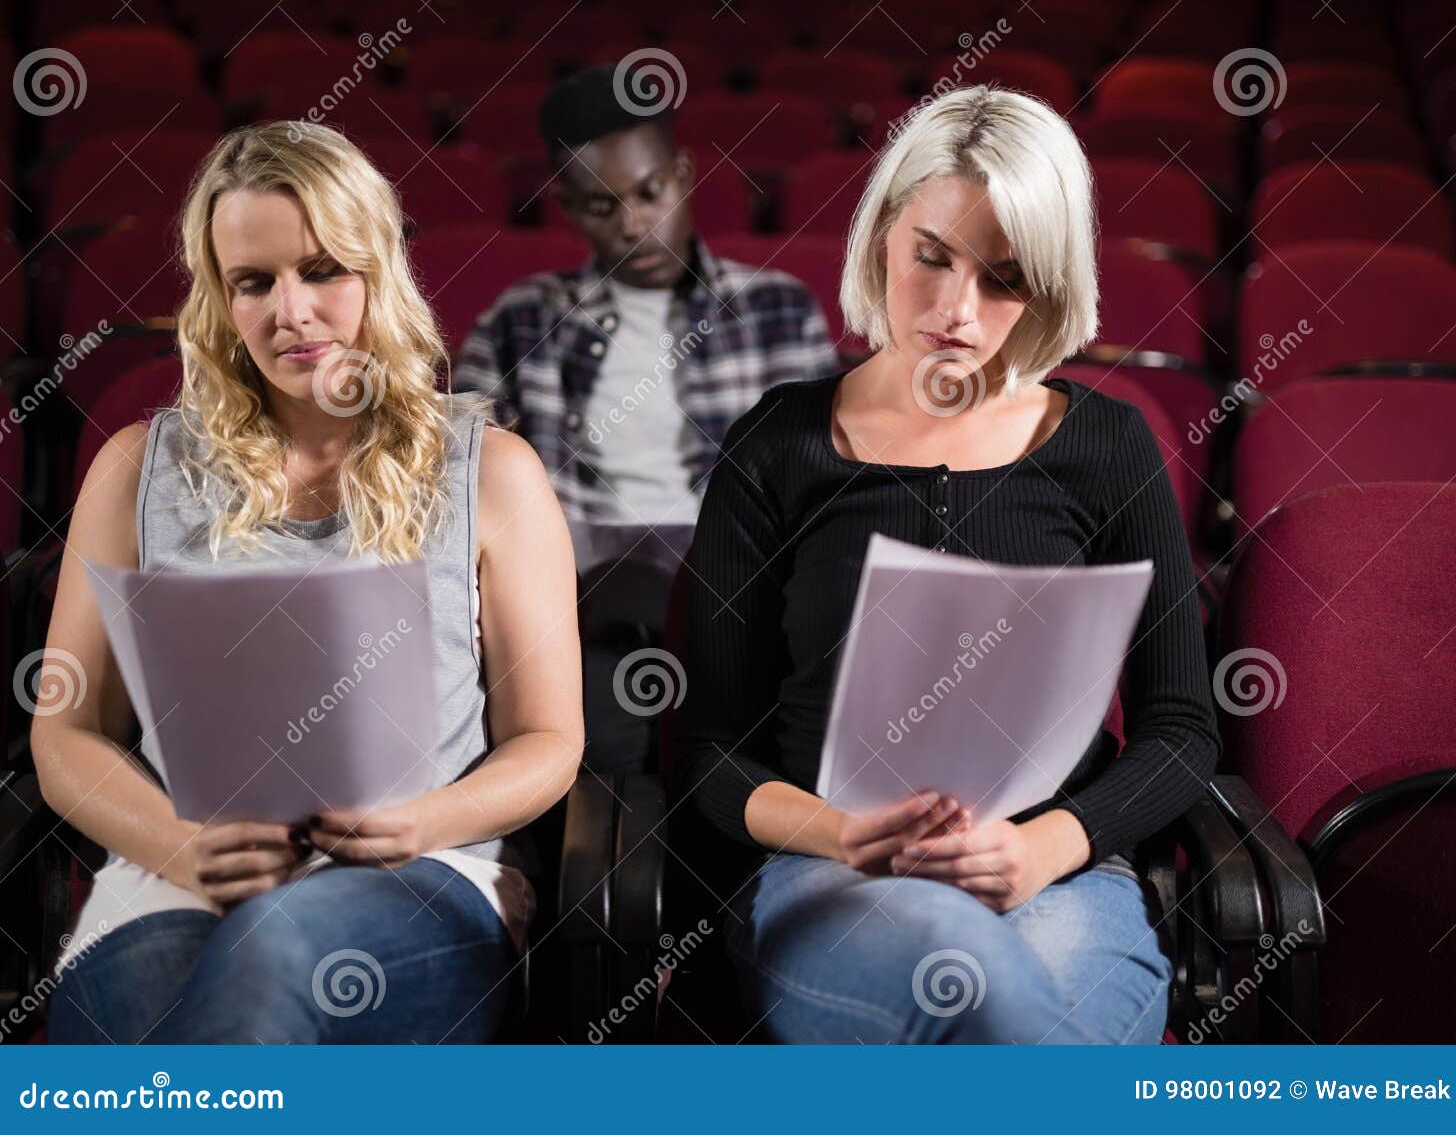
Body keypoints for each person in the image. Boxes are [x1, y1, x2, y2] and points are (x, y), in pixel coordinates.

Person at [679, 86, 1220, 1045]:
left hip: (1055, 873)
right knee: (989, 1008)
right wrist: (841, 834)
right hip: (836, 867)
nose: (955, 311)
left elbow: (1180, 729)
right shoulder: (779, 445)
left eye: (1004, 279)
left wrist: (1043, 848)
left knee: (1034, 1030)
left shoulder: (1110, 446)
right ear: (882, 237)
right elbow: (710, 750)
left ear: (1047, 288)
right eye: (931, 256)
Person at [33, 121, 584, 1044]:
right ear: (222, 300)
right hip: (179, 869)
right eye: (254, 282)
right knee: (136, 1017)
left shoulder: (493, 471)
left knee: (275, 954)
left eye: (322, 270)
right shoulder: (135, 469)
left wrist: (421, 822)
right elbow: (66, 733)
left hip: (417, 867)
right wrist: (185, 848)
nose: (290, 311)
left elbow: (550, 741)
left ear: (376, 271)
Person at [451, 63, 839, 526]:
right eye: (601, 206)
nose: (633, 226)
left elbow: (819, 483)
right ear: (569, 208)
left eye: (650, 194)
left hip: (735, 558)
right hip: (570, 562)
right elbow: (461, 473)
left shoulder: (779, 310)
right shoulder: (520, 320)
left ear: (684, 175)